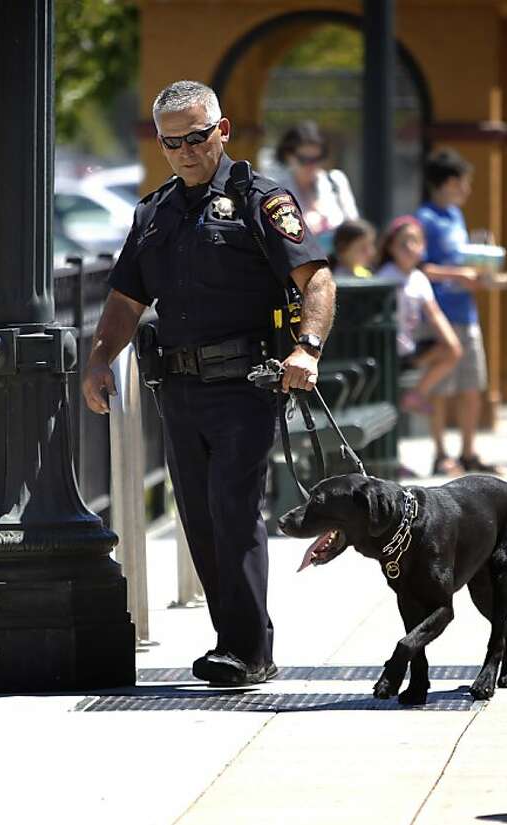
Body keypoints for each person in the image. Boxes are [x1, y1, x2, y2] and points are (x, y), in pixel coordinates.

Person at [81, 80, 335, 687]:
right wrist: (97, 361)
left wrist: (308, 347)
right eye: (173, 142)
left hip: (247, 384)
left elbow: (318, 280)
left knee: (234, 507)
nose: (187, 151)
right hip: (178, 389)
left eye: (198, 137)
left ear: (222, 131)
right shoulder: (155, 211)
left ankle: (248, 649)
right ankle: (233, 642)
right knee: (197, 514)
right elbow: (124, 298)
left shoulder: (260, 201)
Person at [415, 148, 506, 476]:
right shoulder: (424, 218)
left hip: (466, 313)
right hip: (438, 316)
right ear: (450, 182)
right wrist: (460, 276)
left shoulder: (456, 215)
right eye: (464, 183)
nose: (467, 190)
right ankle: (440, 453)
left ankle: (468, 452)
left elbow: (457, 258)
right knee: (441, 391)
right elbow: (421, 267)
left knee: (471, 385)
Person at [373, 215, 461, 416]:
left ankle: (416, 394)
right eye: (403, 242)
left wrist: (451, 343)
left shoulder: (419, 278)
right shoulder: (385, 275)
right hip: (386, 351)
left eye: (415, 241)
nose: (410, 247)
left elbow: (435, 314)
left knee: (450, 352)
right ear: (391, 247)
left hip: (407, 350)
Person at [273, 120, 359, 254]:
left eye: (317, 159)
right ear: (288, 156)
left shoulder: (335, 181)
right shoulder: (276, 189)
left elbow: (353, 226)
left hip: (339, 269)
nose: (311, 166)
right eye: (304, 159)